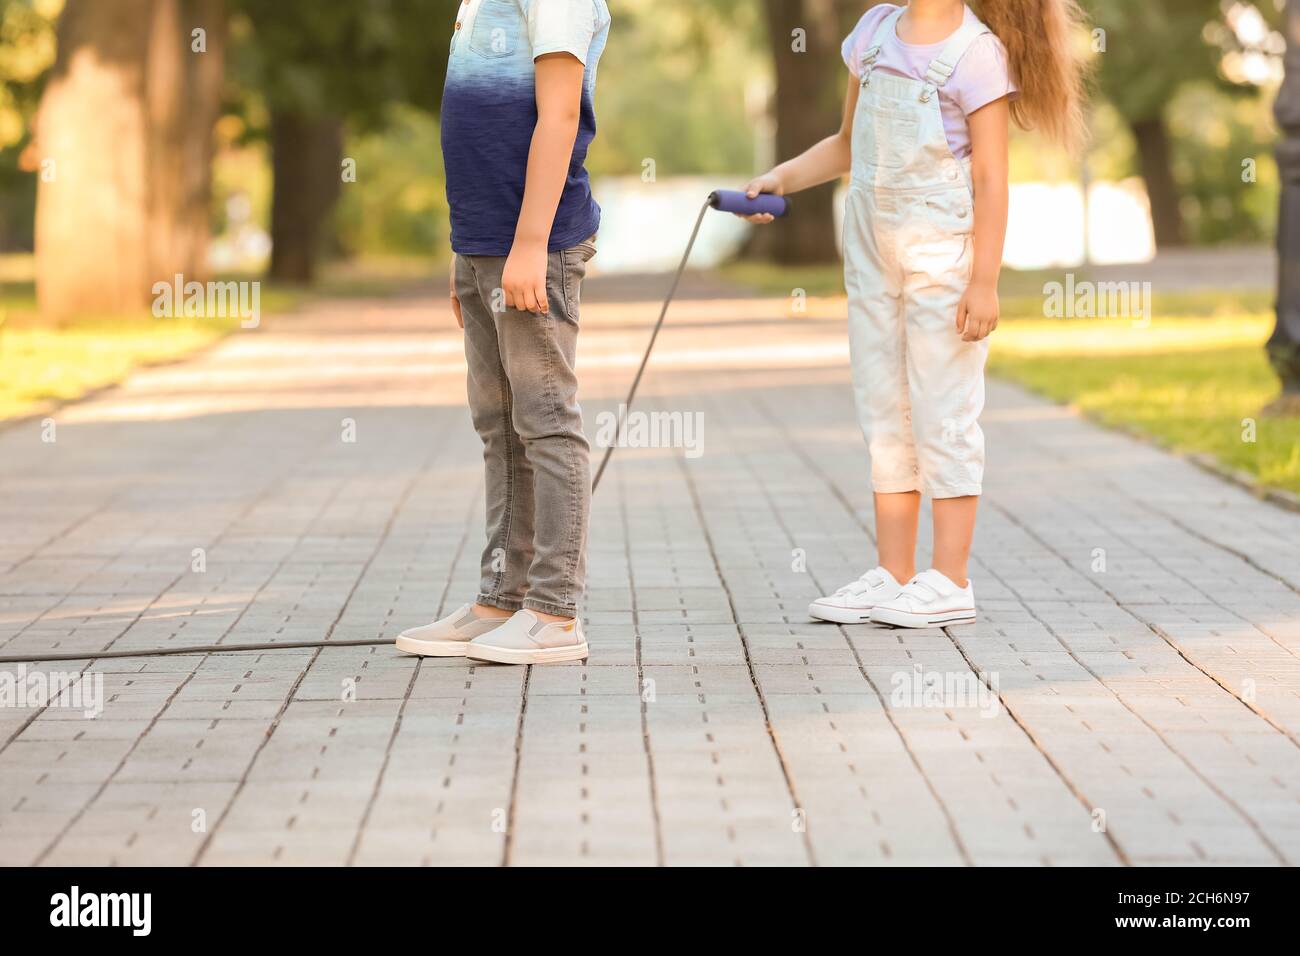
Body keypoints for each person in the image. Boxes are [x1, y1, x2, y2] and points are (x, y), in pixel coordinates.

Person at [741, 0, 1086, 627]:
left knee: (942, 410)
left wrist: (984, 282)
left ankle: (950, 580)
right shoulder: (872, 33)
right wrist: (780, 180)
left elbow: (991, 180)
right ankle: (893, 575)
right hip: (873, 257)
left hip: (943, 264)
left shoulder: (976, 54)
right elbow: (847, 145)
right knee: (883, 408)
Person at [396, 0, 612, 665]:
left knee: (545, 420)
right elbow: (476, 134)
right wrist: (470, 252)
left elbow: (560, 114)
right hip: (485, 245)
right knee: (499, 421)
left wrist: (527, 244)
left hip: (535, 245)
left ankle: (553, 612)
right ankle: (502, 597)